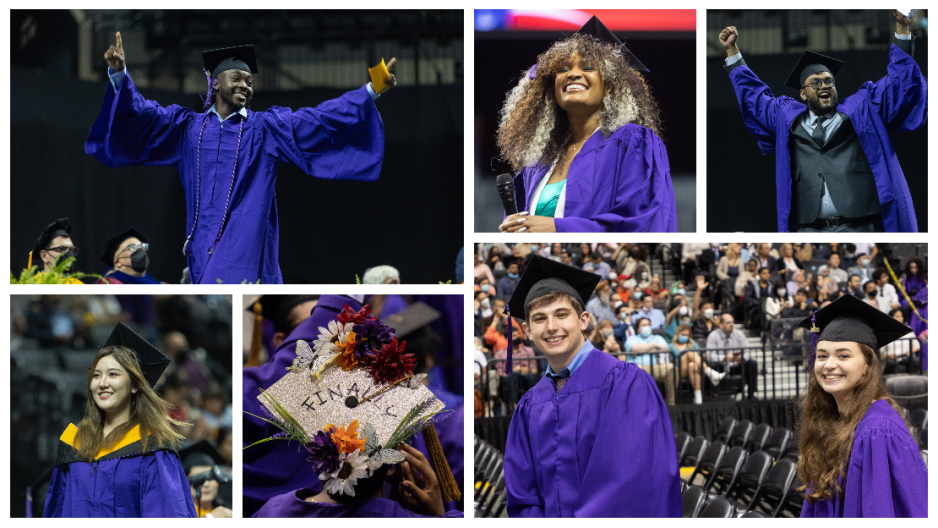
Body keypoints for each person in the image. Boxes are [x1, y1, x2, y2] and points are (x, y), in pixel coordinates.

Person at [86, 36, 396, 283]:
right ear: (216, 82)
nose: (245, 86)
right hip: (199, 241)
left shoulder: (266, 128)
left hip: (244, 238)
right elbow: (143, 113)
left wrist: (370, 91)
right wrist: (118, 75)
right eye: (237, 78)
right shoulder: (186, 127)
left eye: (249, 82)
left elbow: (318, 120)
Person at [503, 255, 680, 516]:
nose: (552, 327)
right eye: (540, 319)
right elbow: (523, 495)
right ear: (528, 331)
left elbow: (631, 485)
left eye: (561, 314)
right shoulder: (530, 404)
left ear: (583, 319)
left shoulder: (625, 383)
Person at [719, 11, 925, 232]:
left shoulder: (861, 108)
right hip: (810, 229)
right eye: (815, 83)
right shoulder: (787, 116)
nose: (824, 85)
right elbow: (755, 99)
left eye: (829, 81)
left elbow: (898, 84)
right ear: (803, 94)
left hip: (859, 226)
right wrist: (732, 51)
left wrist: (902, 27)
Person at [497, 16, 676, 233]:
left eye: (588, 67)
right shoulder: (540, 161)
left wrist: (557, 228)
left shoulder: (634, 143)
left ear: (610, 83)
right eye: (562, 69)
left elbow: (645, 223)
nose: (572, 74)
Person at [43, 323, 196, 517]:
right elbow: (59, 509)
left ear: (134, 385)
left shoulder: (152, 447)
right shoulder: (74, 439)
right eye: (96, 376)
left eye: (113, 374)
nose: (103, 383)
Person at [796, 294, 927, 517]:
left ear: (867, 366)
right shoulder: (835, 419)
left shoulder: (877, 430)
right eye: (822, 356)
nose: (829, 365)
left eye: (843, 356)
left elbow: (880, 512)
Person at [705, 314, 759, 400]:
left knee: (752, 363)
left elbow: (747, 351)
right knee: (712, 366)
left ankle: (751, 394)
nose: (732, 324)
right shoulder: (713, 336)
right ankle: (713, 396)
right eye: (728, 322)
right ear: (721, 325)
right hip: (721, 366)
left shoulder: (739, 334)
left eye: (733, 322)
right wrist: (724, 358)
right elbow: (709, 355)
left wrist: (742, 358)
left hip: (736, 365)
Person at [624, 317, 675, 406]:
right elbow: (634, 349)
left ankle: (670, 403)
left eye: (648, 325)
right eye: (644, 325)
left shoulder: (658, 338)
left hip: (657, 367)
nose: (647, 327)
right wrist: (653, 345)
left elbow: (665, 349)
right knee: (637, 370)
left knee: (671, 368)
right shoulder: (632, 339)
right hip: (639, 367)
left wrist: (643, 350)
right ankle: (640, 406)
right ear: (638, 328)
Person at [670, 324, 723, 404]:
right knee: (689, 354)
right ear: (677, 334)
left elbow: (699, 356)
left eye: (687, 335)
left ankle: (698, 399)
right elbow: (669, 360)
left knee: (693, 366)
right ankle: (710, 373)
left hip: (692, 368)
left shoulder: (693, 343)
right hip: (678, 370)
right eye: (683, 335)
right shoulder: (671, 346)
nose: (685, 337)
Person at [97, 227, 161, 284]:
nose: (141, 252)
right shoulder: (109, 282)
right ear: (118, 261)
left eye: (143, 247)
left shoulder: (154, 283)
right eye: (133, 247)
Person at [29, 218, 83, 283]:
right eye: (62, 249)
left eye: (71, 250)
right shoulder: (31, 287)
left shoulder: (79, 288)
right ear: (44, 256)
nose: (69, 254)